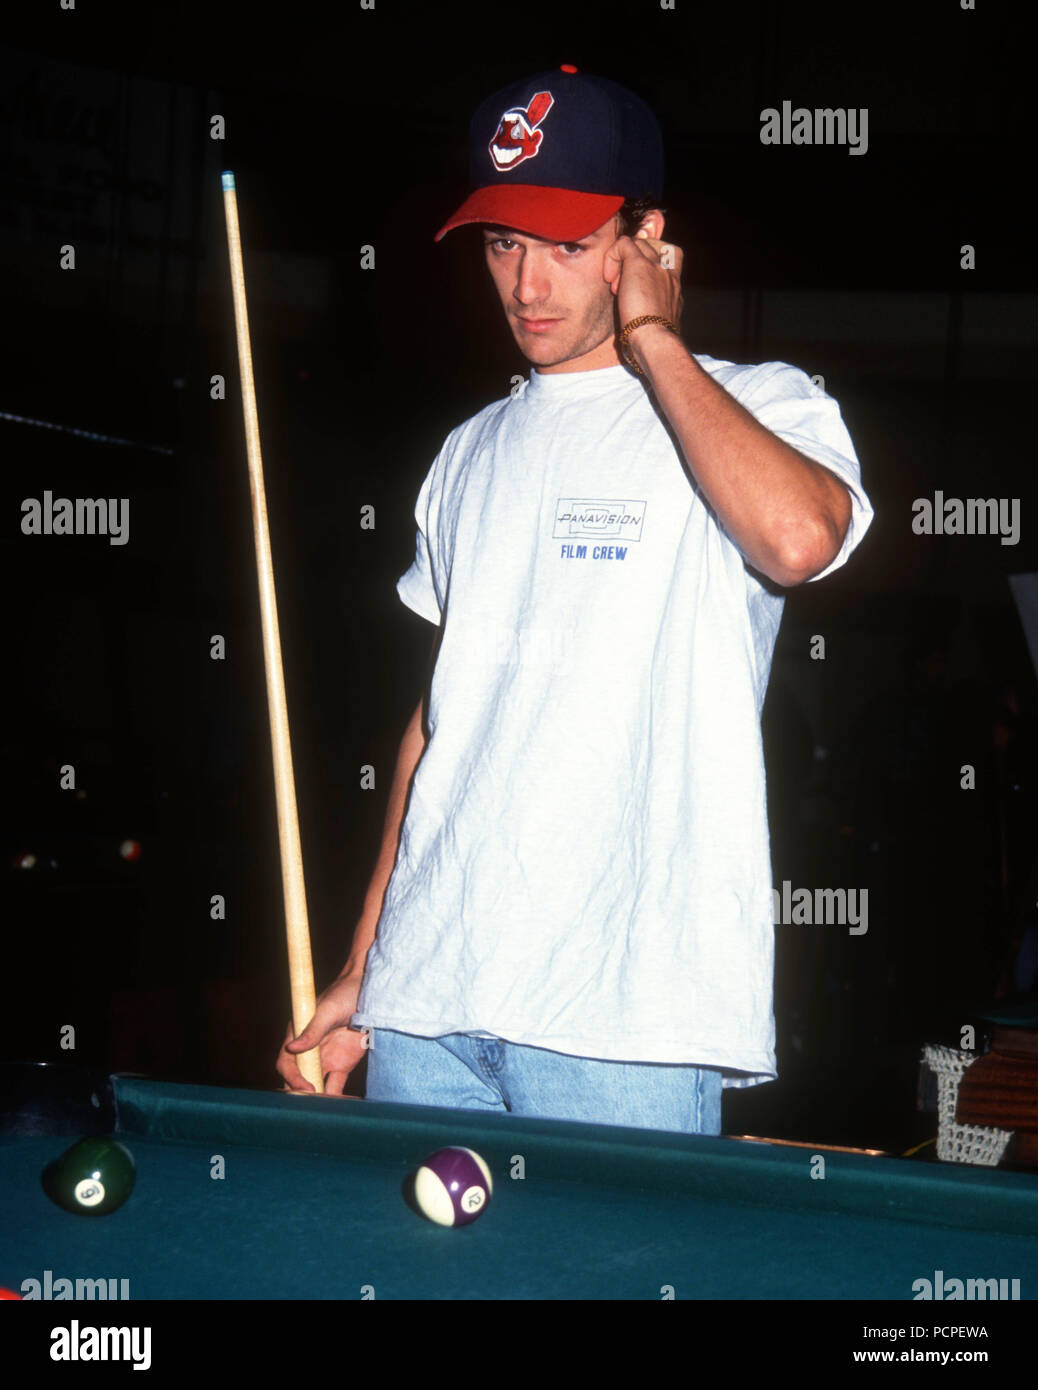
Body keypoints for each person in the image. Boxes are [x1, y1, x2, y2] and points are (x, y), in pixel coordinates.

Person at [277, 66, 874, 1132]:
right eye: (505, 243)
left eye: (567, 243)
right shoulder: (469, 453)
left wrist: (653, 342)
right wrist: (367, 968)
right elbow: (435, 728)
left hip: (624, 1024)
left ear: (644, 241)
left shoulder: (761, 402)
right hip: (429, 1002)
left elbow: (797, 539)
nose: (527, 286)